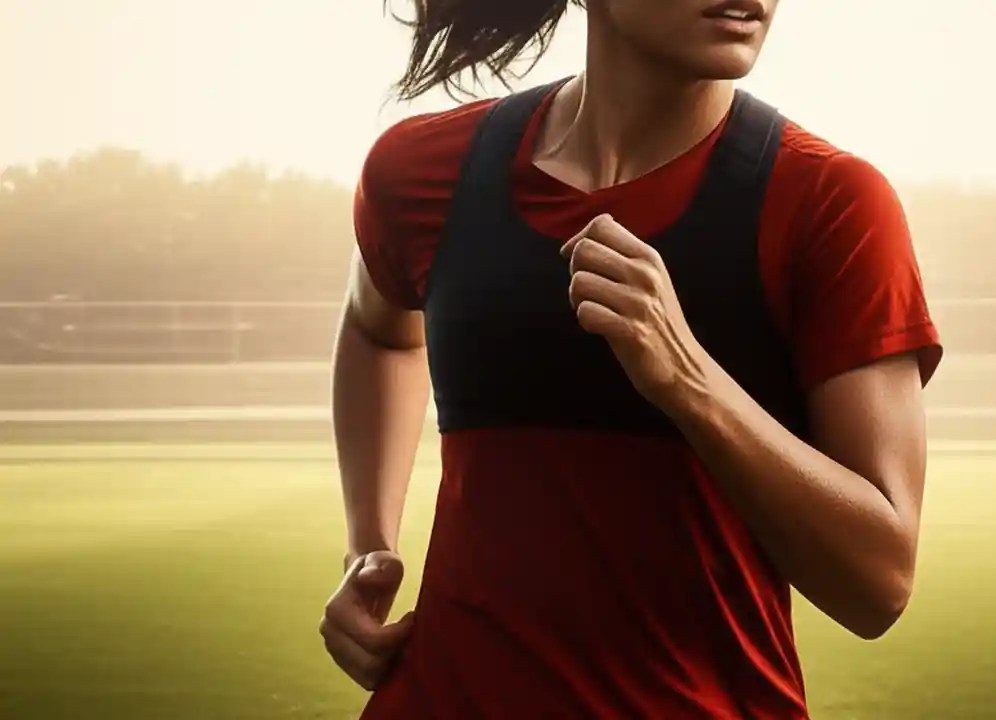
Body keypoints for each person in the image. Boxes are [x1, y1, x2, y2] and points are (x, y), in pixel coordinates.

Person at [321, 0, 943, 717]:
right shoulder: (422, 172)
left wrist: (689, 380)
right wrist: (367, 545)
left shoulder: (830, 204)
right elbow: (379, 330)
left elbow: (878, 583)